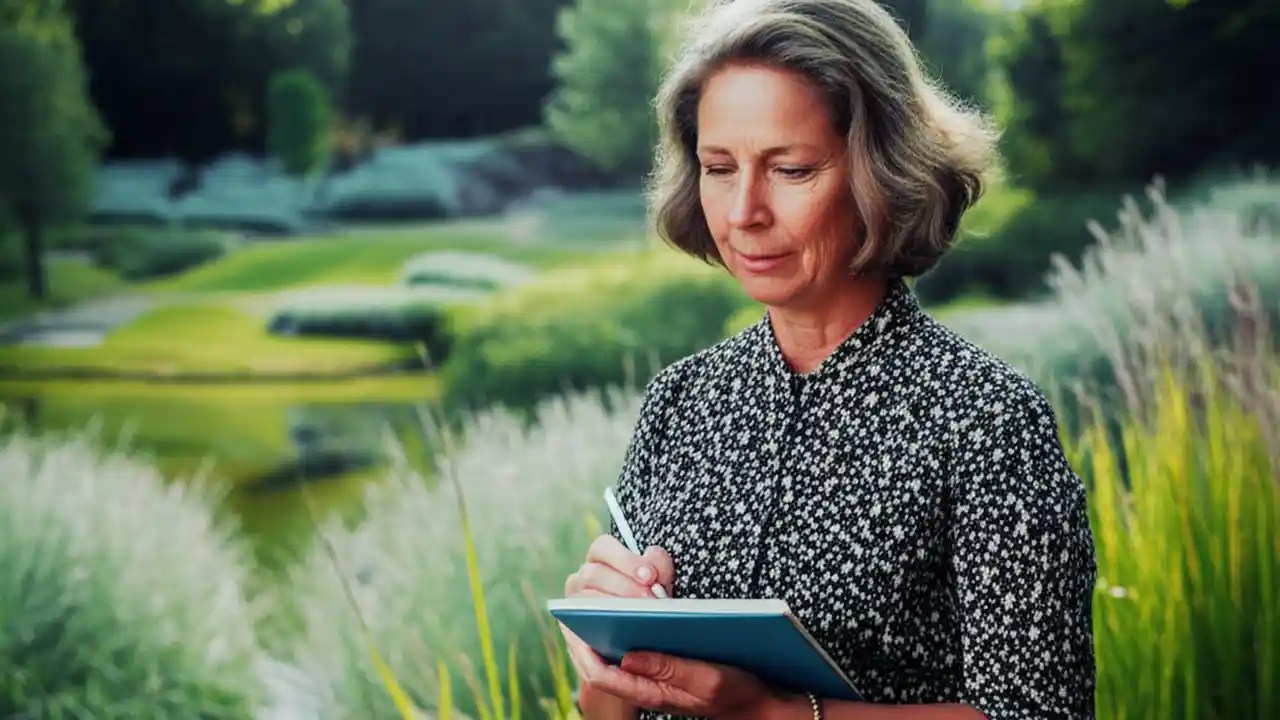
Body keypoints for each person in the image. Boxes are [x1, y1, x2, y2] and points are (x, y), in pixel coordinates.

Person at [559, 0, 1097, 718]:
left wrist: (774, 714)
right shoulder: (680, 401)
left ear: (882, 171)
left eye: (791, 169)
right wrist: (608, 677)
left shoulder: (986, 420)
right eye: (719, 167)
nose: (743, 210)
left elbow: (1041, 714)